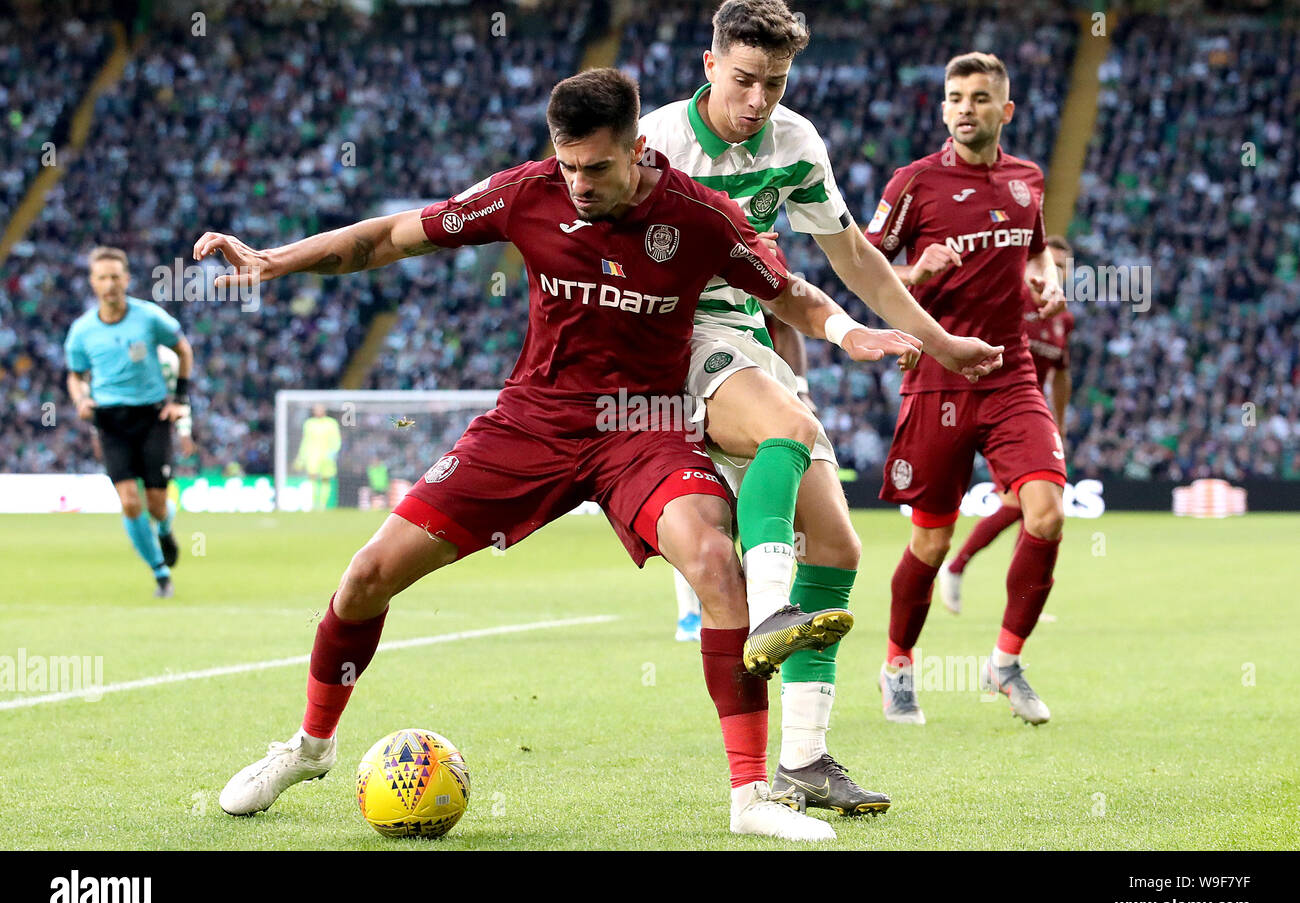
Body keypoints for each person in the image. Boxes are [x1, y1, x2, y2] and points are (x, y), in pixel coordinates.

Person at [203, 69, 922, 840]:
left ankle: (752, 799)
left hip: (643, 427)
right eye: (568, 164)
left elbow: (786, 293)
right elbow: (391, 236)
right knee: (367, 576)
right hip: (533, 421)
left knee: (717, 566)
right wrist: (278, 260)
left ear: (638, 150)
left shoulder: (699, 216)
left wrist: (851, 333)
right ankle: (309, 748)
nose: (578, 183)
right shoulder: (526, 191)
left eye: (598, 168)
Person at [640, 0, 1003, 812]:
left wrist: (938, 340)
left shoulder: (795, 140)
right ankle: (767, 609)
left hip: (748, 338)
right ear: (709, 65)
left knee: (837, 550)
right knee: (792, 427)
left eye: (774, 82)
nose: (758, 100)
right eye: (743, 80)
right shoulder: (655, 141)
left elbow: (858, 259)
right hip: (671, 343)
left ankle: (804, 759)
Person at [865, 52, 1068, 726]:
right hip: (937, 380)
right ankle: (898, 665)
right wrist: (916, 273)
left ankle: (1005, 664)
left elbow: (1036, 247)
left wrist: (1046, 274)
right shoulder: (914, 183)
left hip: (1010, 376)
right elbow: (862, 270)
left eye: (980, 98)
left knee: (1045, 512)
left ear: (1004, 111)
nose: (964, 108)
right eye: (955, 96)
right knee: (930, 543)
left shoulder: (1026, 180)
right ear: (943, 106)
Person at [939, 235, 1076, 615]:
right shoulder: (1008, 302)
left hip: (1030, 416)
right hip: (992, 410)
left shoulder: (1063, 319)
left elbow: (1061, 374)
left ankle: (1020, 594)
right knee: (1025, 503)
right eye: (1052, 264)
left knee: (1036, 505)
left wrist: (1059, 424)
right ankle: (956, 566)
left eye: (1064, 268)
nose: (1057, 273)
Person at [64, 246, 194, 598]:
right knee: (129, 501)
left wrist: (180, 398)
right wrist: (81, 399)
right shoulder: (81, 331)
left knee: (155, 503)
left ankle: (165, 528)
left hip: (151, 417)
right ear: (93, 282)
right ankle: (161, 573)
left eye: (115, 277)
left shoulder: (149, 318)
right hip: (110, 421)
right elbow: (75, 375)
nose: (109, 284)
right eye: (102, 278)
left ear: (127, 279)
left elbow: (183, 348)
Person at [294, 403, 342, 510]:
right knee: (312, 479)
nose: (318, 411)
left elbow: (337, 440)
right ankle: (314, 503)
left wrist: (333, 453)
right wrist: (301, 457)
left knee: (325, 479)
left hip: (327, 457)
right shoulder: (309, 424)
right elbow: (305, 441)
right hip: (313, 456)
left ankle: (322, 504)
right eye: (316, 409)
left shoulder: (331, 423)